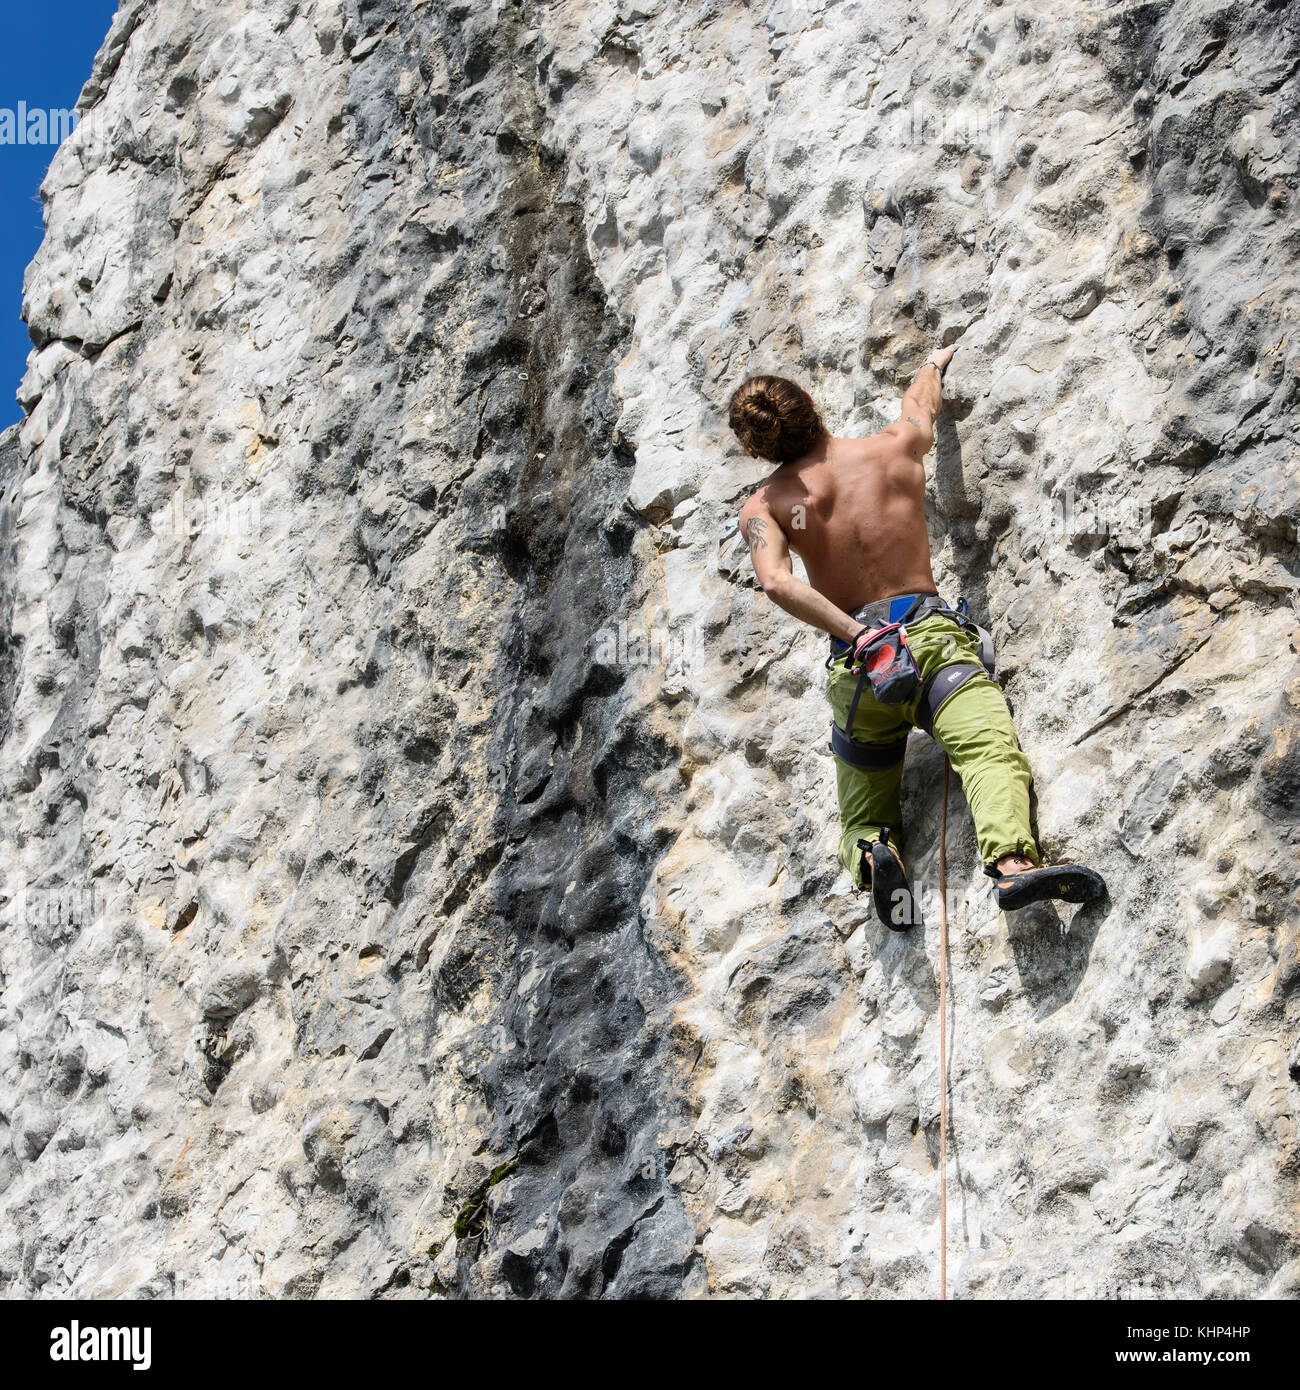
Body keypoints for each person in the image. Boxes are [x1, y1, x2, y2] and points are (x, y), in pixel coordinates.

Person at [731, 351, 1105, 929]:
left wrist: (859, 634)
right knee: (986, 751)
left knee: (864, 796)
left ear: (761, 446)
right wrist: (934, 362)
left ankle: (875, 851)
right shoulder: (893, 446)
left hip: (861, 669)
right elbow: (920, 406)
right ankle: (1010, 863)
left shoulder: (765, 505)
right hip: (932, 643)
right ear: (810, 405)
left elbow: (776, 582)